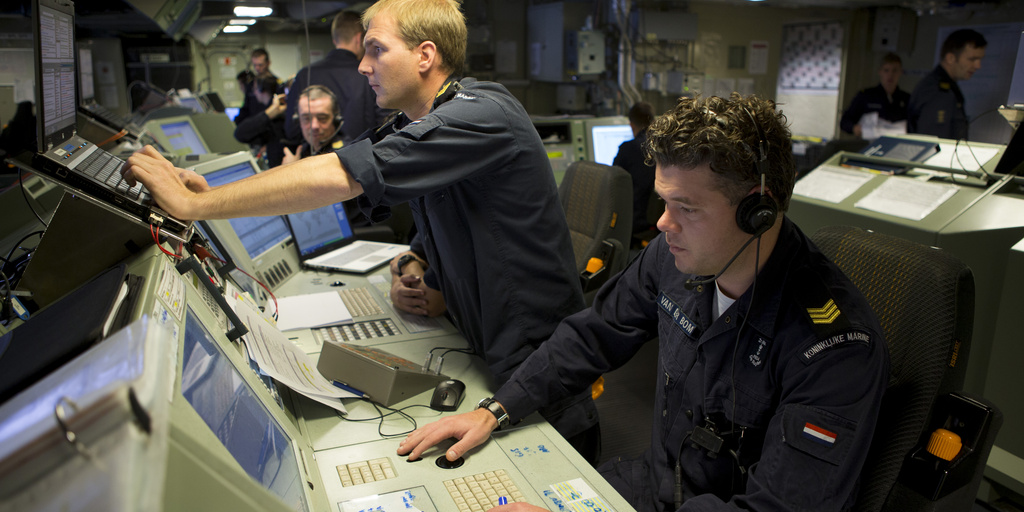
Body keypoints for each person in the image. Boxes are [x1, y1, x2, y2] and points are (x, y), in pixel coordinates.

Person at [123, 0, 600, 463]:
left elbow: (340, 176)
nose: (362, 67)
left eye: (376, 50)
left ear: (425, 55)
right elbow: (434, 213)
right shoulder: (423, 121)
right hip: (486, 360)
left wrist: (196, 205)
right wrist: (414, 266)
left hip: (540, 387)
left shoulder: (480, 116)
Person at [396, 94, 891, 512]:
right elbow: (592, 334)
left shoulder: (834, 348)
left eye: (686, 209)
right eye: (663, 202)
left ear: (758, 211)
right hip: (652, 485)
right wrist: (495, 410)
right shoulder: (674, 257)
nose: (661, 224)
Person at [285, 10, 389, 144]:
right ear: (359, 39)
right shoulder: (369, 74)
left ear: (334, 40)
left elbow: (291, 130)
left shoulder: (305, 74)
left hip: (313, 161)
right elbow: (385, 125)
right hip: (360, 160)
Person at [908, 29, 986, 140]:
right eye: (972, 59)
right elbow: (933, 142)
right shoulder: (936, 91)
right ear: (950, 58)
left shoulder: (947, 87)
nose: (978, 66)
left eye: (979, 60)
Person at [613, 101, 657, 239]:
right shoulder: (665, 147)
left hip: (634, 224)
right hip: (658, 223)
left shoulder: (628, 149)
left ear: (631, 124)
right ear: (654, 121)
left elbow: (613, 184)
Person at [840, 53, 910, 138]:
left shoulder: (906, 98)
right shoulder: (866, 95)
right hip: (869, 142)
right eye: (886, 70)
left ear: (900, 72)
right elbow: (845, 121)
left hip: (896, 142)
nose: (890, 75)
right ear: (880, 72)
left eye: (894, 71)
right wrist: (854, 128)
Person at [282, 85, 346, 165]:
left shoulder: (344, 154)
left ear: (336, 120)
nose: (314, 126)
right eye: (306, 119)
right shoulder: (303, 149)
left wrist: (290, 170)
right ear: (298, 121)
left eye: (322, 118)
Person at [233, 76, 289, 167]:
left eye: (255, 89)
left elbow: (239, 133)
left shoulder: (277, 117)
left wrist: (269, 114)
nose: (254, 92)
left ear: (261, 89)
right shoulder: (269, 113)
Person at [236, 49, 279, 126]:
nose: (257, 68)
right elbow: (246, 108)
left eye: (260, 65)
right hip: (254, 126)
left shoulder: (276, 84)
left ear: (268, 63)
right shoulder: (251, 85)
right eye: (255, 65)